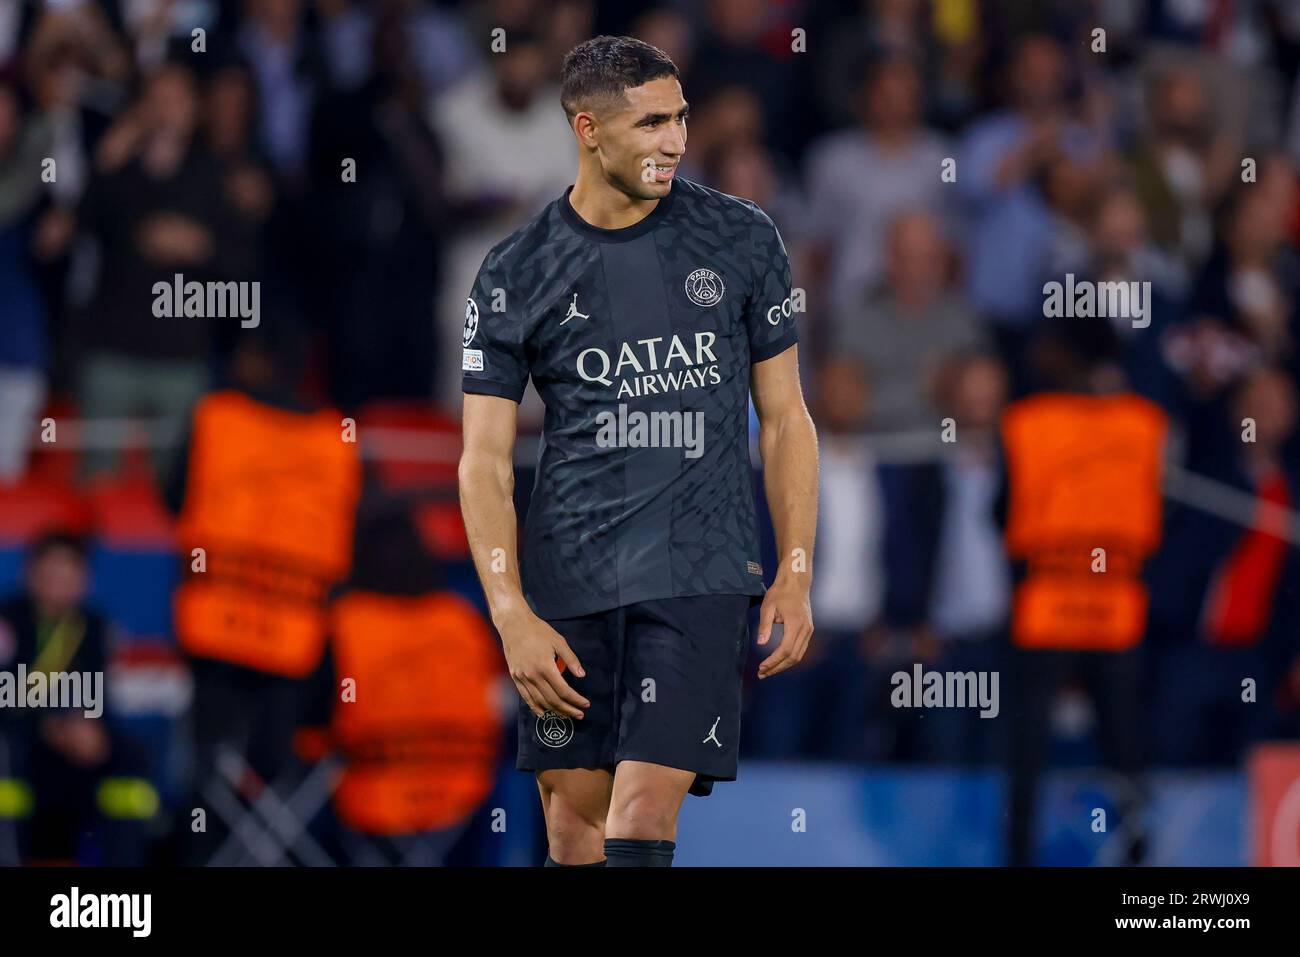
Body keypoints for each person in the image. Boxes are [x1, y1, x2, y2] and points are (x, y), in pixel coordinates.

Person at [458, 36, 818, 867]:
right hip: (569, 584)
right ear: (588, 129)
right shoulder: (517, 272)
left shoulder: (741, 239)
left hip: (701, 575)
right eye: (652, 123)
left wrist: (795, 570)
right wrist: (510, 613)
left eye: (681, 118)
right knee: (574, 835)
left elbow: (788, 419)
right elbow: (482, 460)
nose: (676, 141)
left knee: (641, 811)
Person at [0, 531, 153, 865]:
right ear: (30, 574)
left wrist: (95, 732)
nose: (59, 582)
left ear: (84, 580)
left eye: (69, 573)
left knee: (129, 756)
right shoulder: (8, 623)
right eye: (51, 572)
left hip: (78, 749)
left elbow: (103, 699)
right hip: (24, 745)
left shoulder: (94, 627)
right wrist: (49, 727)